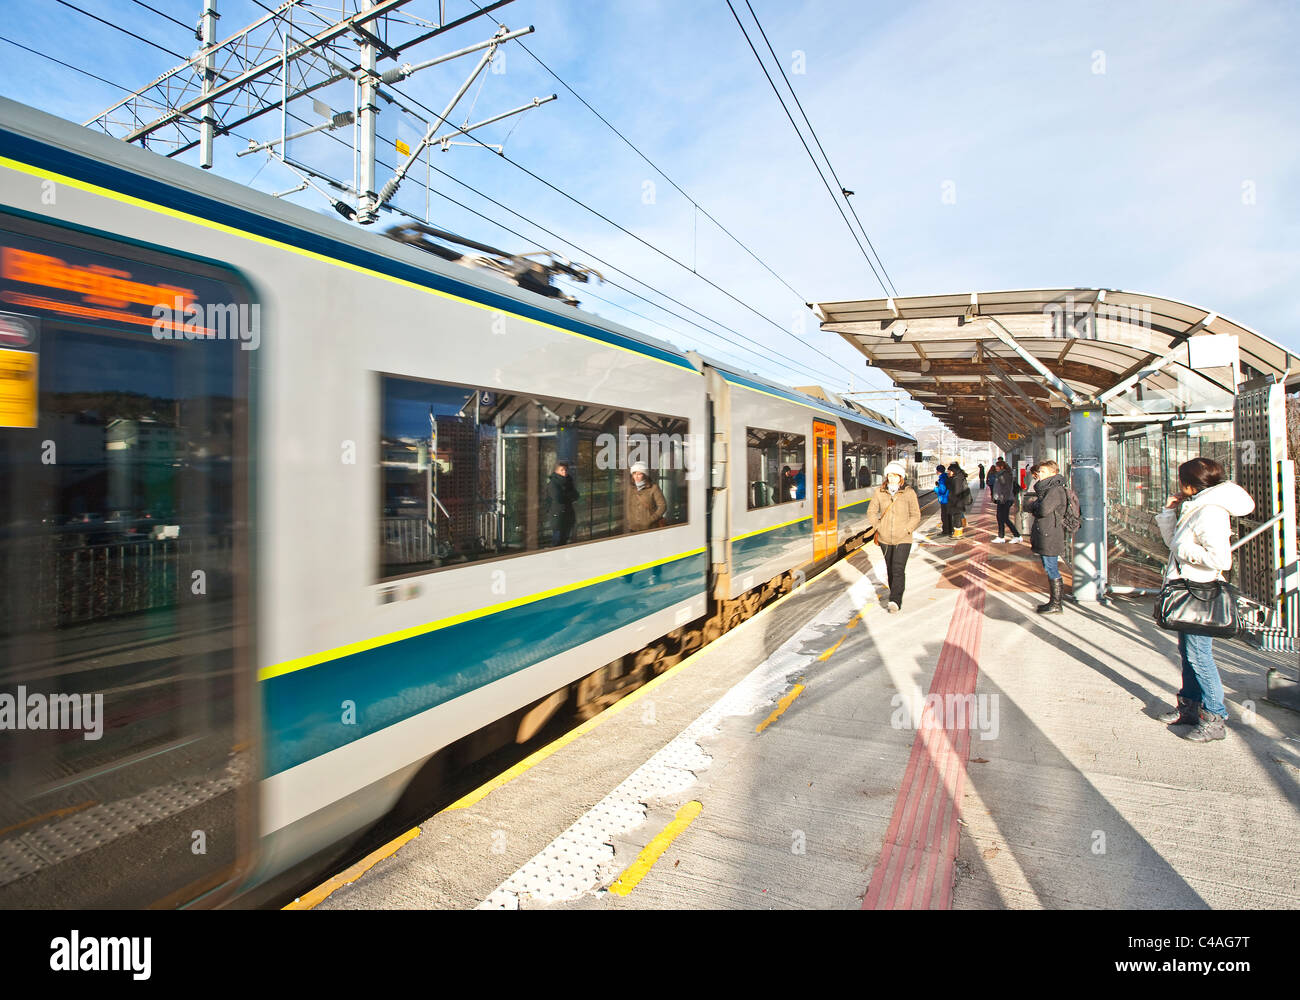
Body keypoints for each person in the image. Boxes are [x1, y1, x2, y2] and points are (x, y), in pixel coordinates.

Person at [1152, 457, 1255, 742]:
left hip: (1201, 590)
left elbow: (1219, 558)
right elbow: (1174, 544)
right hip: (1188, 587)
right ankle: (1190, 707)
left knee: (1199, 656)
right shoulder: (1196, 505)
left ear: (1190, 483)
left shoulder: (1210, 511)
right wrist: (1170, 514)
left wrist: (1185, 549)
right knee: (1188, 653)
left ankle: (1215, 717)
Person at [867, 460, 921, 613]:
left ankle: (895, 600)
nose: (892, 478)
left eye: (895, 476)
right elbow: (871, 512)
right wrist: (878, 526)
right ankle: (894, 593)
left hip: (903, 538)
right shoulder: (879, 492)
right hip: (884, 538)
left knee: (898, 568)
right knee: (889, 568)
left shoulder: (908, 492)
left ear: (901, 477)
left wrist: (907, 529)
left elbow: (916, 515)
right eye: (890, 475)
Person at [1023, 460, 1068, 613]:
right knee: (1049, 567)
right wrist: (1035, 505)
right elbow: (1037, 507)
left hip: (1050, 534)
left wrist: (1033, 505)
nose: (1039, 475)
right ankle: (1054, 601)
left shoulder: (1054, 490)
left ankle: (1056, 604)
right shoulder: (1047, 489)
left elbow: (1042, 510)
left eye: (1042, 472)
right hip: (1047, 533)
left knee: (1051, 568)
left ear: (1053, 473)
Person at [626, 461, 667, 531]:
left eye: (639, 474)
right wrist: (630, 520)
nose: (636, 476)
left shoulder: (653, 488)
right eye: (634, 473)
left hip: (649, 528)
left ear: (645, 475)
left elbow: (663, 506)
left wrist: (651, 519)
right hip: (633, 527)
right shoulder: (631, 488)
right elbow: (628, 506)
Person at [989, 459, 1022, 544]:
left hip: (1005, 500)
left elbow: (1006, 489)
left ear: (1001, 467)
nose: (995, 467)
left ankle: (1017, 536)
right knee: (1000, 517)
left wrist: (1003, 499)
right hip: (1002, 499)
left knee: (1004, 518)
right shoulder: (1000, 475)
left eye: (997, 466)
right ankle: (1001, 536)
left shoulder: (1004, 475)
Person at [546, 460, 579, 546]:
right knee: (557, 540)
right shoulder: (553, 483)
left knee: (565, 539)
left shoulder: (569, 481)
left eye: (566, 470)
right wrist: (570, 496)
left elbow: (576, 495)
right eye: (562, 470)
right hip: (557, 516)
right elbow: (559, 498)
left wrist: (567, 495)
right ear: (556, 471)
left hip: (568, 515)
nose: (564, 472)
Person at [946, 463, 971, 535]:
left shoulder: (957, 479)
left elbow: (956, 491)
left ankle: (958, 533)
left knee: (956, 517)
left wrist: (953, 501)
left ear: (953, 471)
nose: (948, 472)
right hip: (958, 501)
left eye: (949, 471)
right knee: (958, 516)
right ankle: (959, 529)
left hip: (956, 502)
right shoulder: (959, 477)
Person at [935, 464, 952, 536]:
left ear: (938, 471)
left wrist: (936, 488)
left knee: (944, 516)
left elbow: (942, 490)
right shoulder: (946, 476)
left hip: (944, 499)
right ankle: (950, 529)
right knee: (949, 515)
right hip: (948, 498)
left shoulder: (942, 478)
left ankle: (945, 531)